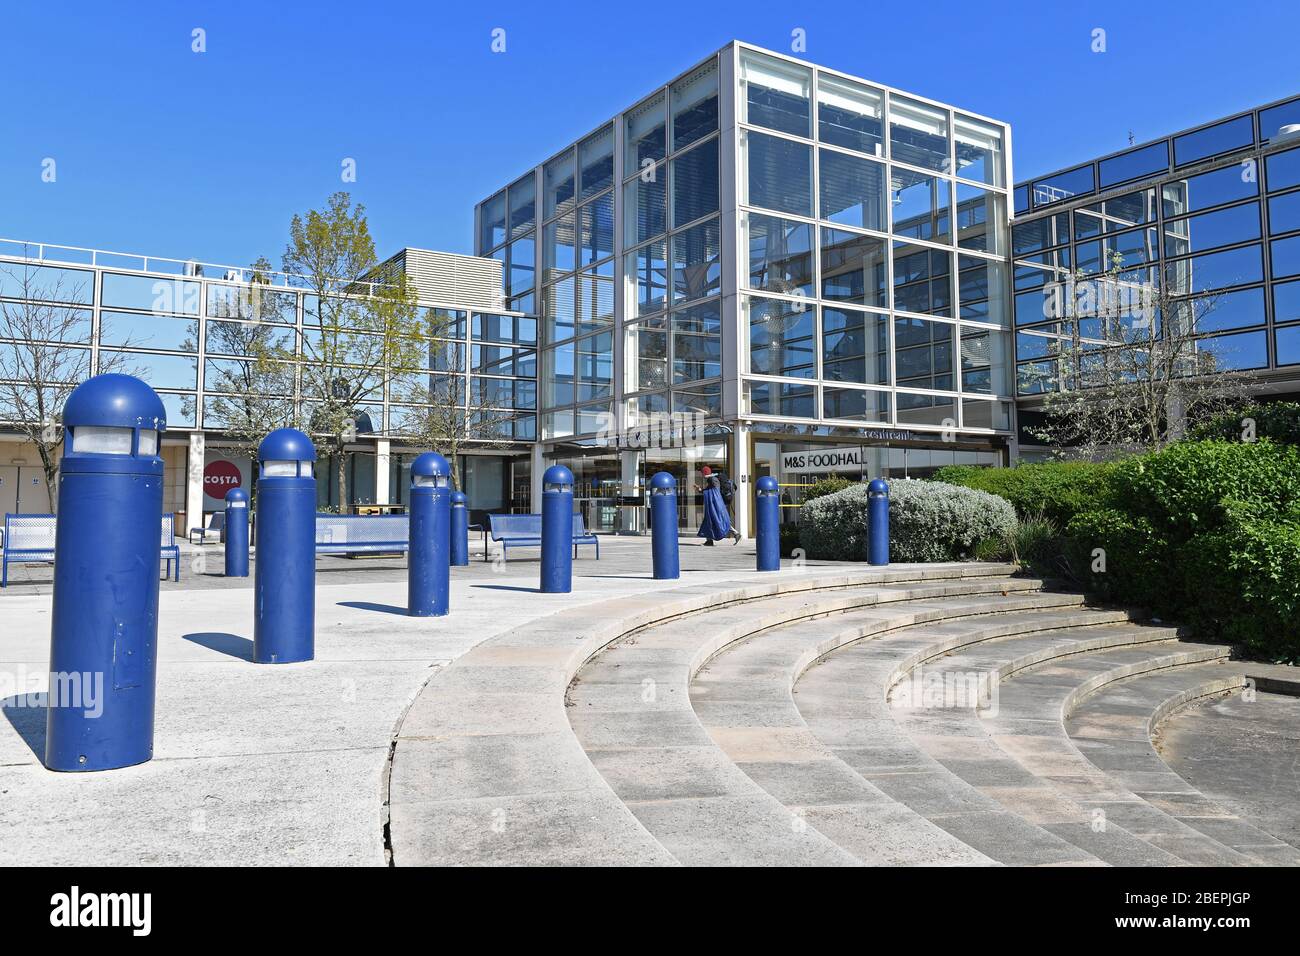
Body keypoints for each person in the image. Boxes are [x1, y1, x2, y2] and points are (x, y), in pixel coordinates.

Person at [696, 465, 740, 546]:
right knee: (711, 520)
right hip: (714, 504)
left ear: (705, 473)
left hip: (716, 504)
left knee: (719, 520)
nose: (702, 475)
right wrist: (701, 490)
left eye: (702, 473)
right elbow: (710, 490)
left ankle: (735, 533)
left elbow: (714, 491)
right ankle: (709, 540)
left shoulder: (713, 479)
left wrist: (703, 491)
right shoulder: (711, 479)